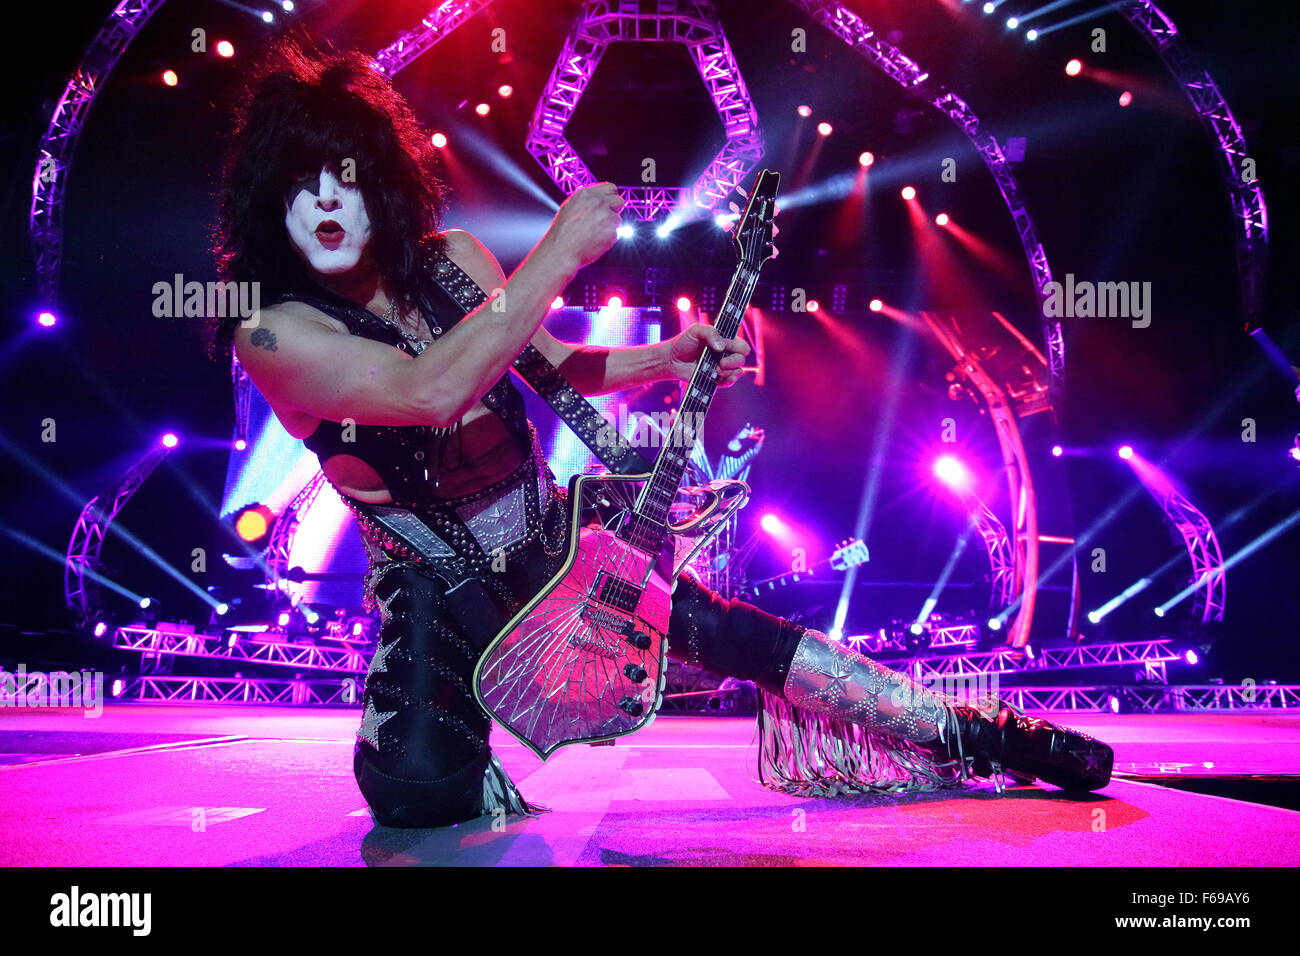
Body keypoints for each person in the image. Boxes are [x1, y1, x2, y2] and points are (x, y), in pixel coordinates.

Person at [209, 40, 1113, 828]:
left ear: (385, 187)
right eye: (301, 186)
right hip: (433, 580)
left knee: (724, 631)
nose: (327, 205)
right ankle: (461, 738)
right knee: (416, 790)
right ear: (268, 206)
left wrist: (665, 355)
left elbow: (544, 364)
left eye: (347, 179)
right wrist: (557, 255)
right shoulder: (280, 333)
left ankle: (984, 734)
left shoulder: (453, 262)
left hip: (550, 544)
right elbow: (432, 389)